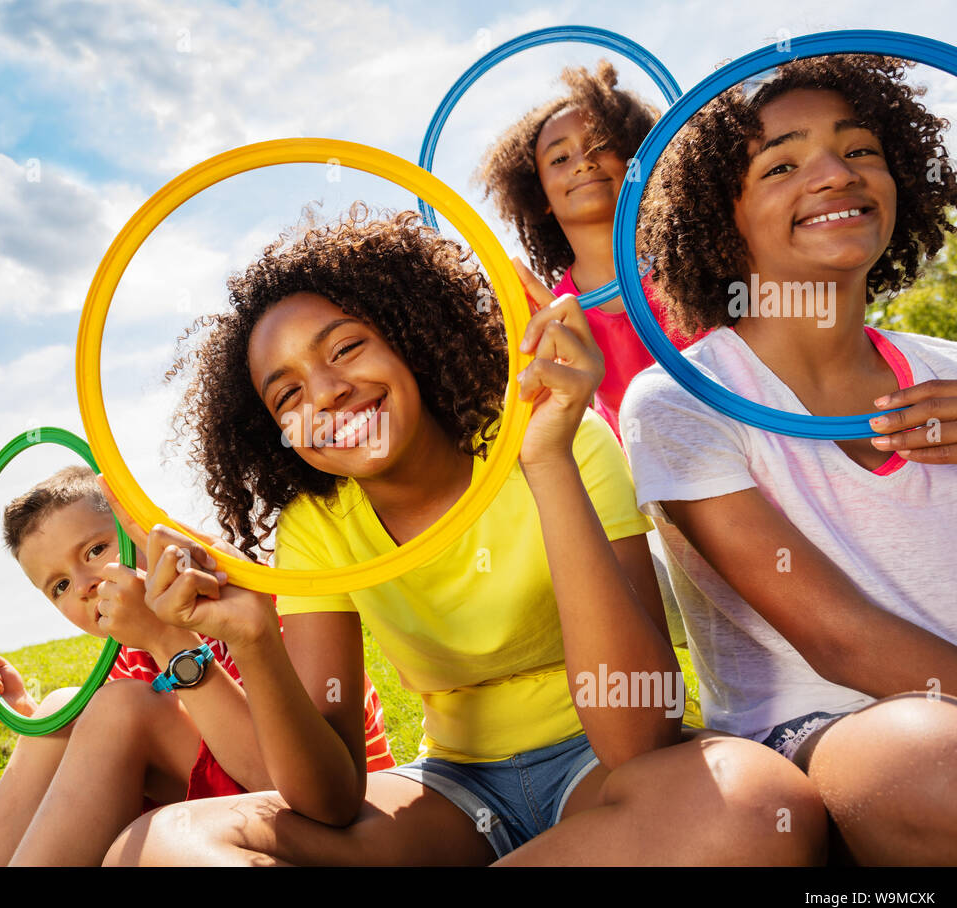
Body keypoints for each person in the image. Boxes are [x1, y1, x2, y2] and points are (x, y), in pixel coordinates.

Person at [103, 204, 824, 866]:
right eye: (287, 392)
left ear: (411, 337)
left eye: (346, 347)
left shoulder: (555, 437)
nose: (324, 391)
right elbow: (329, 801)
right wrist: (256, 642)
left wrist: (545, 463)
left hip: (611, 778)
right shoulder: (317, 526)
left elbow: (640, 740)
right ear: (278, 435)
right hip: (454, 794)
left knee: (757, 806)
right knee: (168, 842)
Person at [621, 54, 957, 864]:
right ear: (725, 216)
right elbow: (840, 641)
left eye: (860, 150)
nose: (833, 175)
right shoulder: (681, 400)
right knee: (938, 763)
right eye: (781, 163)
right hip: (829, 729)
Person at [0, 464, 393, 865]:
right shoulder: (128, 654)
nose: (84, 585)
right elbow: (124, 765)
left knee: (120, 707)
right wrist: (29, 716)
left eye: (95, 550)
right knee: (59, 709)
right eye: (60, 586)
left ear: (138, 527)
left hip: (350, 819)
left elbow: (294, 782)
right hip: (244, 813)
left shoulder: (240, 600)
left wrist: (167, 641)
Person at [473, 60, 705, 440]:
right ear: (539, 194)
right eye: (560, 158)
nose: (584, 162)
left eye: (602, 144)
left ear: (636, 159)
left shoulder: (704, 256)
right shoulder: (549, 315)